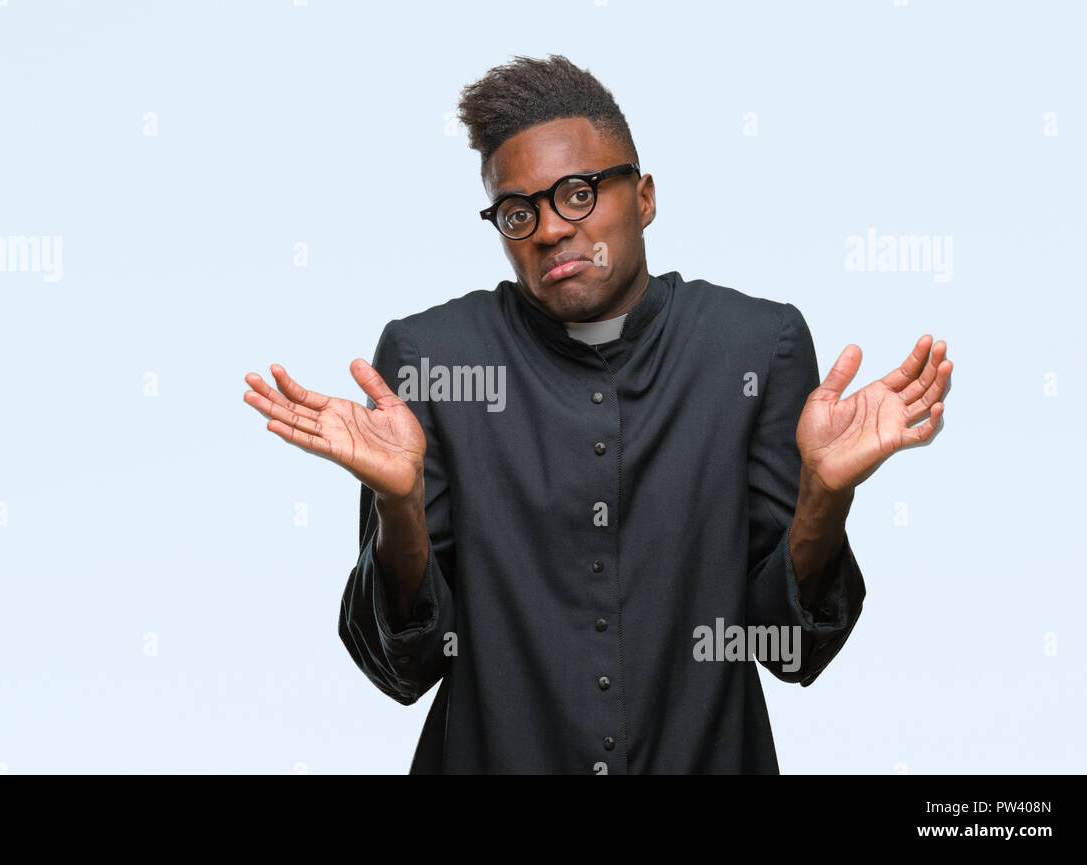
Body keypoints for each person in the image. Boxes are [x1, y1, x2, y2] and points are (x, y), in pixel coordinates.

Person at [243, 54, 952, 773]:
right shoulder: (429, 358)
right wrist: (399, 508)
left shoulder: (755, 346)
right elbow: (405, 666)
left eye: (578, 193)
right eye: (518, 211)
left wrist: (824, 498)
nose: (550, 229)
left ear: (643, 198)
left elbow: (790, 650)